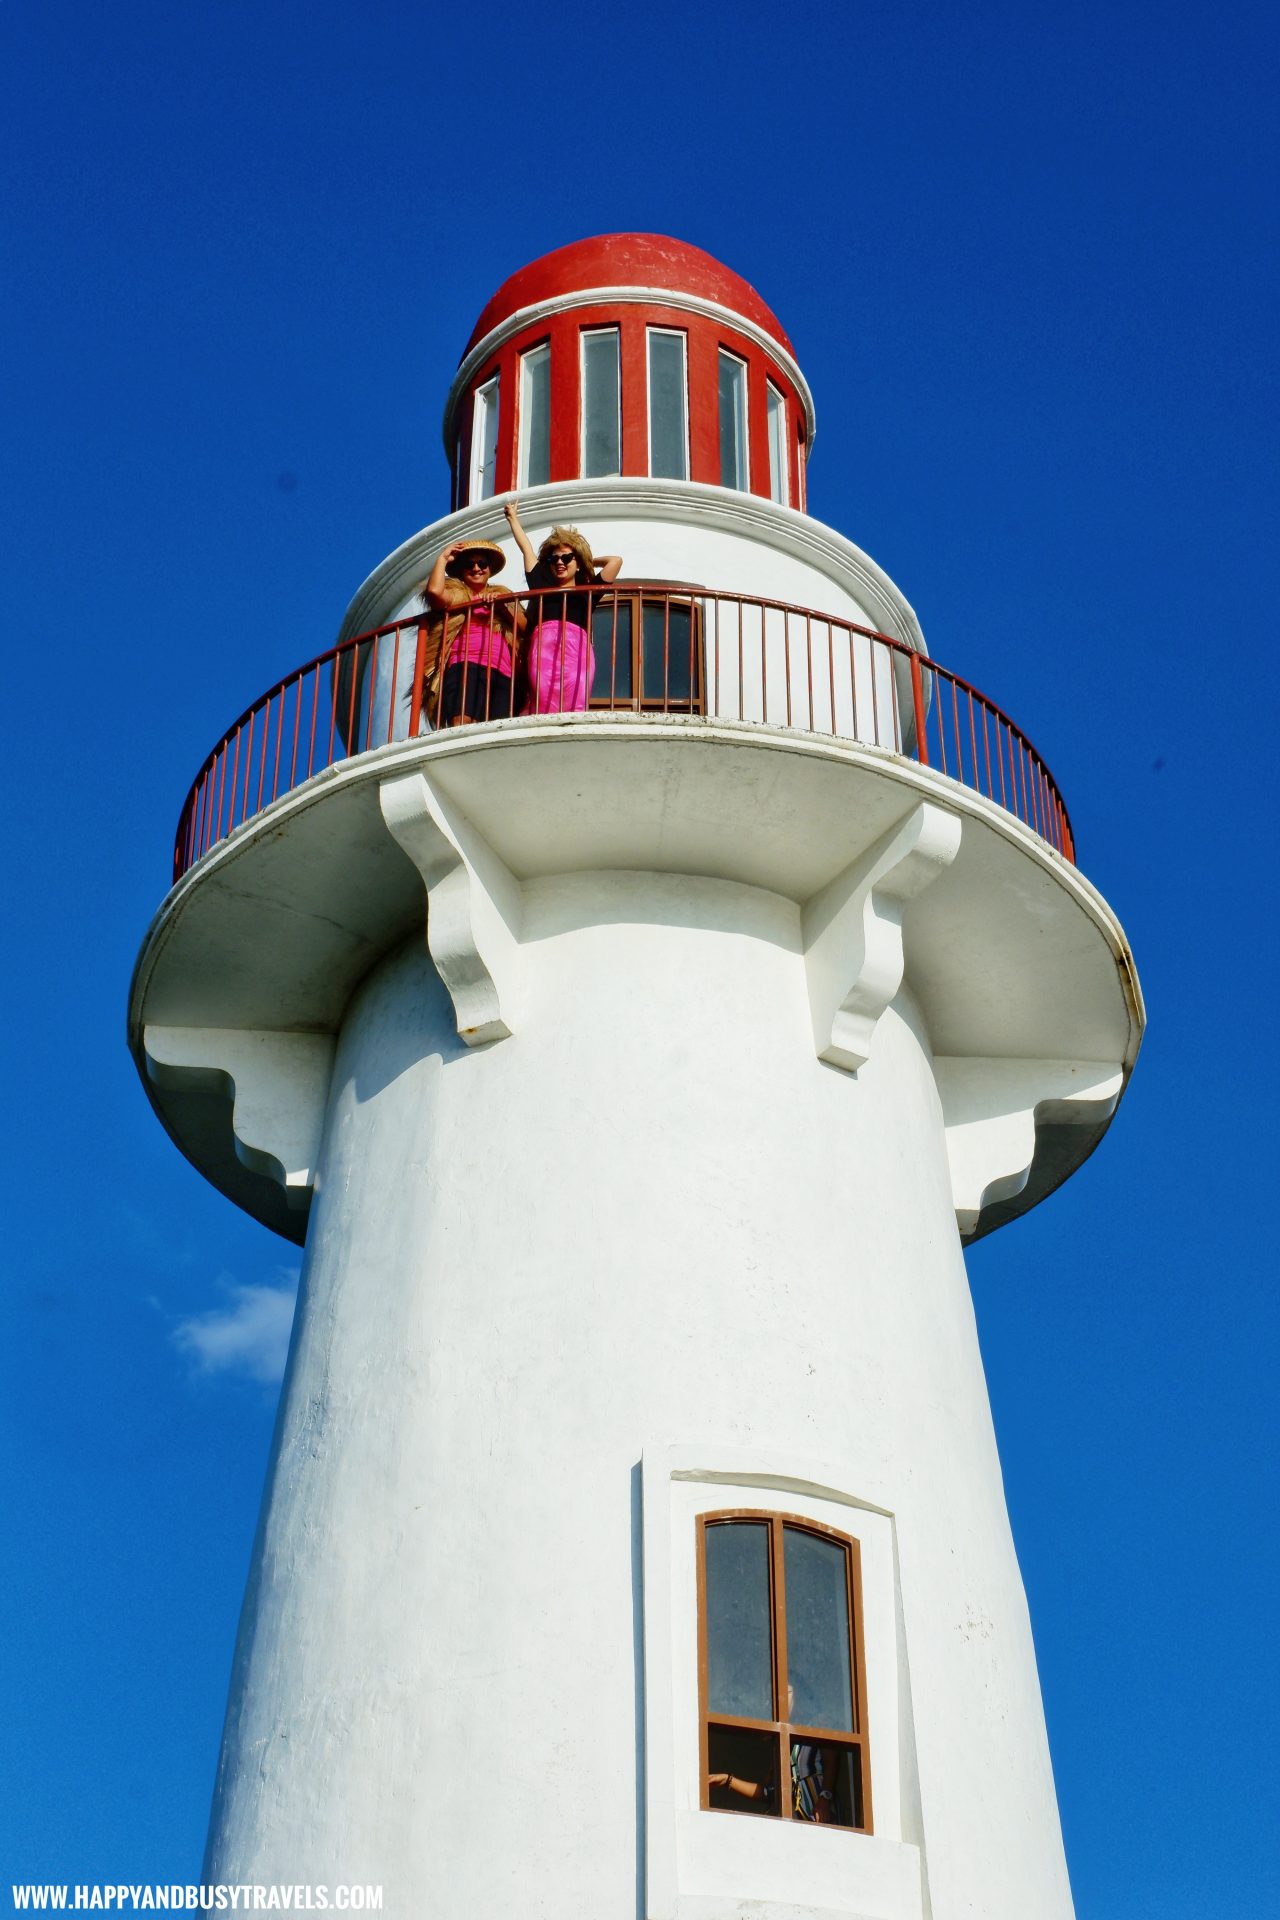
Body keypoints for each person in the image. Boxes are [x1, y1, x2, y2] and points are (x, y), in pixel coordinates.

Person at [503, 499, 623, 714]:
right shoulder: (540, 583)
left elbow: (616, 561)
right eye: (554, 558)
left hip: (577, 649)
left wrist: (587, 560)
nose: (560, 562)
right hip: (545, 648)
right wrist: (513, 518)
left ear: (577, 563)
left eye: (567, 558)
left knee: (576, 697)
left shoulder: (588, 591)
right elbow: (526, 550)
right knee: (542, 696)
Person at [416, 539, 525, 728]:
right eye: (469, 564)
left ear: (490, 569)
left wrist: (502, 606)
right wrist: (442, 558)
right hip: (466, 664)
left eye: (482, 564)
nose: (476, 568)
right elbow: (434, 592)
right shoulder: (457, 594)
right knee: (461, 722)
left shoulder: (503, 595)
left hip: (503, 671)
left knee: (500, 730)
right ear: (461, 570)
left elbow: (524, 626)